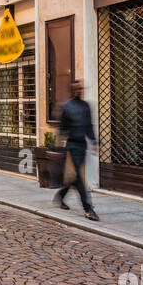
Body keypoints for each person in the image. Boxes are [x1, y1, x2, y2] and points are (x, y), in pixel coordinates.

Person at [54, 79, 99, 221]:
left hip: (82, 145)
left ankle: (61, 195)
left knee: (76, 177)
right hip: (72, 145)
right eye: (77, 89)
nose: (79, 91)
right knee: (79, 177)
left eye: (81, 88)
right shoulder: (67, 107)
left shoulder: (86, 106)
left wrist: (94, 142)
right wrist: (58, 145)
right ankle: (88, 208)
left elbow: (89, 126)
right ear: (72, 90)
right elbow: (62, 129)